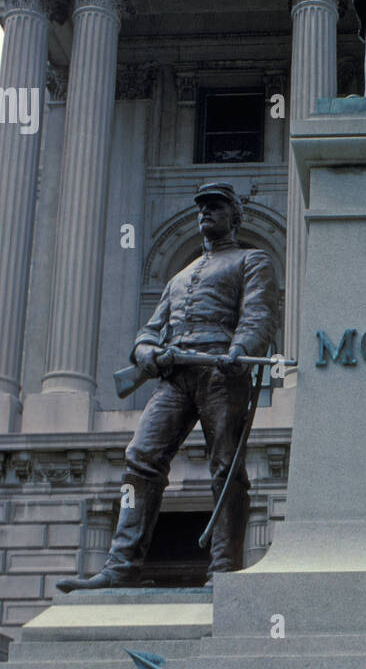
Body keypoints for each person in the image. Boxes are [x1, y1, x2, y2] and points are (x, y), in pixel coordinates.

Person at [57, 183, 278, 590]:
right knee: (140, 458)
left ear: (234, 216)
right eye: (202, 208)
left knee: (226, 468)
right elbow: (149, 330)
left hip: (220, 372)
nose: (206, 213)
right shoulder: (179, 277)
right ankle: (121, 565)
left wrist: (241, 349)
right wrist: (145, 353)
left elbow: (258, 315)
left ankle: (224, 568)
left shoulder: (252, 260)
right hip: (175, 376)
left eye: (215, 206)